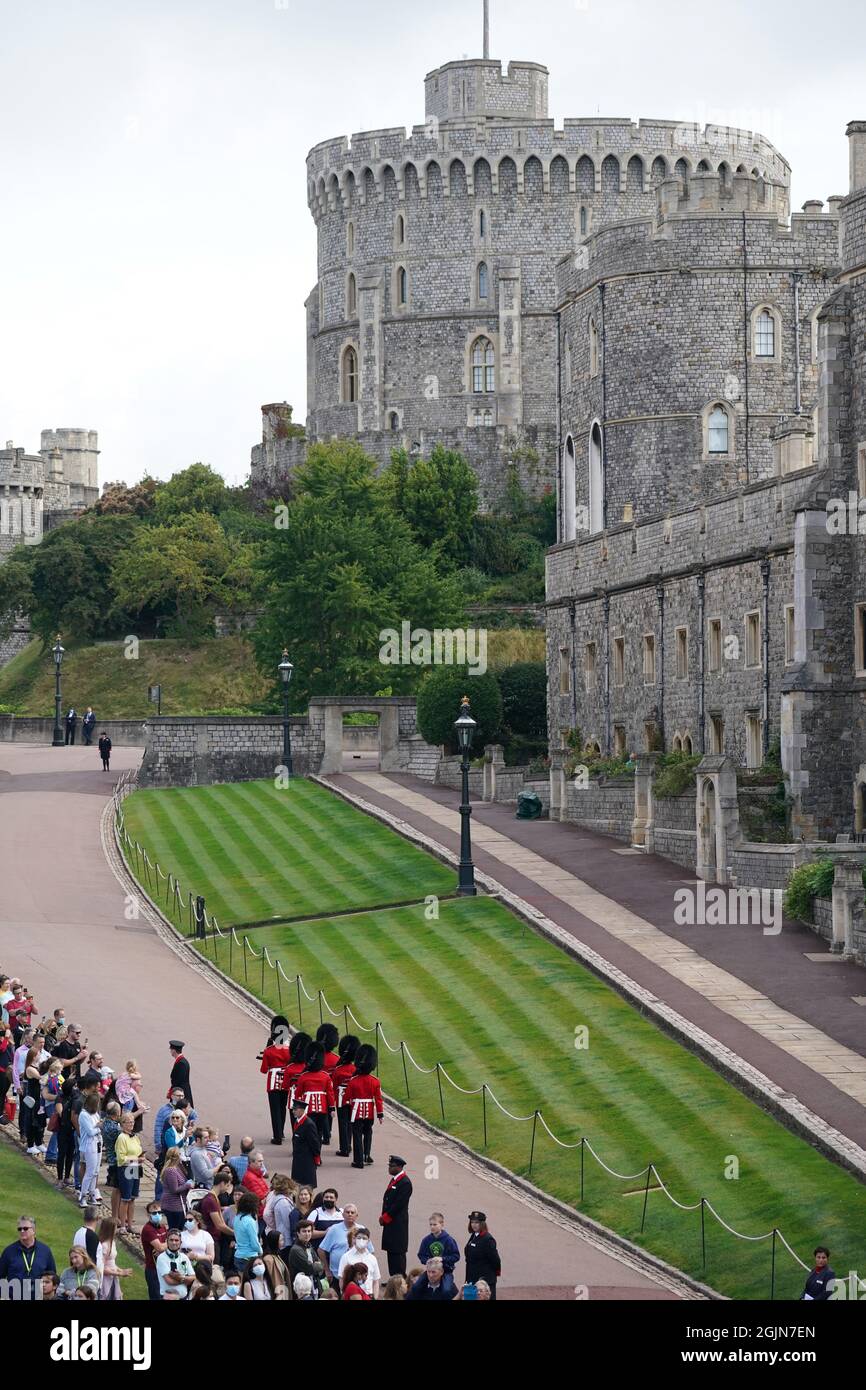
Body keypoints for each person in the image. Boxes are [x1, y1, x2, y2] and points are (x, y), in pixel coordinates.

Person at [343, 1044, 383, 1169]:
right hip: (369, 1112)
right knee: (368, 1133)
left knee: (357, 1135)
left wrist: (344, 1106)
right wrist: (380, 1114)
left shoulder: (353, 1081)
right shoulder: (375, 1081)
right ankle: (366, 1155)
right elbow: (378, 1099)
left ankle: (358, 1160)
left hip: (356, 1112)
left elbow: (347, 1097)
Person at [293, 1041, 336, 1145]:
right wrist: (332, 1109)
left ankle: (311, 1156)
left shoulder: (303, 1077)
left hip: (308, 1109)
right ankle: (317, 1156)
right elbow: (330, 1094)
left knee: (308, 1132)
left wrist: (296, 1109)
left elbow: (298, 1094)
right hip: (322, 1109)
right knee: (319, 1133)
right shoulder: (325, 1076)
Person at [0, 1216, 56, 1293]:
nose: (22, 1231)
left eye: (25, 1228)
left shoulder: (45, 1251)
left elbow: (53, 1277)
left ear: (33, 1230)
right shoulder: (9, 1251)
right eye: (19, 1229)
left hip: (38, 1296)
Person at [319, 1203, 368, 1288]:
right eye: (347, 1212)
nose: (350, 1214)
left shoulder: (362, 1230)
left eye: (352, 1213)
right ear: (343, 1214)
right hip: (337, 1276)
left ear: (357, 1215)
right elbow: (321, 1250)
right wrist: (327, 1270)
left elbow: (370, 1251)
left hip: (358, 1278)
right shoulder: (334, 1229)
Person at [380, 1155, 412, 1277]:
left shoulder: (405, 1183)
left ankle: (400, 1279)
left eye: (392, 1166)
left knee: (397, 1253)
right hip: (391, 1222)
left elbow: (399, 1204)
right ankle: (393, 1277)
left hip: (397, 1223)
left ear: (399, 1167)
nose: (389, 1168)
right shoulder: (395, 1179)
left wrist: (385, 1217)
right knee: (391, 1251)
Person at [260, 1017, 291, 1145]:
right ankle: (281, 1132)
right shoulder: (290, 1050)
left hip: (273, 1081)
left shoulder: (269, 1050)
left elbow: (264, 1070)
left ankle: (277, 1135)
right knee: (282, 1107)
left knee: (275, 1109)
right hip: (286, 1080)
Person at [198, 1169, 235, 1269]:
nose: (227, 1189)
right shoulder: (211, 1200)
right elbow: (219, 1225)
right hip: (212, 1238)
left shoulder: (214, 1198)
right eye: (227, 1185)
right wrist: (235, 1233)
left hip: (215, 1237)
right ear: (222, 1183)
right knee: (215, 1267)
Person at [115, 1111, 143, 1235]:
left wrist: (140, 1158)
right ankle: (122, 1226)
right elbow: (121, 1158)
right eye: (128, 1122)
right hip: (126, 1169)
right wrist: (136, 1159)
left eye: (132, 1121)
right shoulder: (121, 1138)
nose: (131, 1124)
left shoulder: (135, 1136)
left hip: (135, 1168)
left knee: (132, 1198)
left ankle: (130, 1225)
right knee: (125, 1198)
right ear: (123, 1124)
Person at [332, 1035, 359, 1156]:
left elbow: (334, 1086)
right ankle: (348, 1145)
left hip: (341, 1098)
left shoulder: (338, 1070)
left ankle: (344, 1148)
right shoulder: (355, 1069)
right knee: (350, 1122)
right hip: (353, 1098)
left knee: (343, 1123)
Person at [337, 1227, 381, 1299]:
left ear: (368, 1241)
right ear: (354, 1239)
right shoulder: (346, 1257)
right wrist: (344, 1294)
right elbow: (341, 1279)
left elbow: (376, 1281)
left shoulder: (372, 1258)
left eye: (364, 1238)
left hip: (369, 1295)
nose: (361, 1240)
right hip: (353, 1295)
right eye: (359, 1238)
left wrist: (375, 1297)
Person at [465, 1211, 501, 1299]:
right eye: (472, 1222)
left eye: (476, 1222)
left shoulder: (487, 1239)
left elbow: (495, 1260)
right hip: (471, 1278)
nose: (474, 1225)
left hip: (484, 1280)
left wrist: (492, 1275)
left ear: (482, 1224)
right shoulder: (474, 1235)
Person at [156, 1227, 196, 1300]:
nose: (174, 1242)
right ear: (167, 1241)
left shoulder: (184, 1257)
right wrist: (185, 1280)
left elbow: (193, 1277)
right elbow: (169, 1281)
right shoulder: (161, 1258)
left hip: (183, 1297)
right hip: (168, 1298)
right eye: (171, 1240)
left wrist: (180, 1277)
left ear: (180, 1242)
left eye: (176, 1240)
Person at [77, 1093, 103, 1207]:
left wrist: (98, 1126)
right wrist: (99, 1127)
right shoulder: (83, 1115)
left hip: (97, 1143)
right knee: (90, 1172)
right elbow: (90, 1132)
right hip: (88, 1145)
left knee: (96, 1171)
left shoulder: (95, 1114)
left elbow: (98, 1126)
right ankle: (83, 1196)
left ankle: (92, 1195)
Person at [288, 1219, 324, 1298]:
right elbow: (310, 1268)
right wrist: (317, 1266)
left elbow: (321, 1267)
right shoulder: (296, 1250)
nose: (307, 1234)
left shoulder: (309, 1246)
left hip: (314, 1285)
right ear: (298, 1233)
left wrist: (318, 1266)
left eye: (309, 1231)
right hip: (302, 1290)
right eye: (304, 1231)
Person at [290, 1098, 321, 1187]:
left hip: (306, 1161)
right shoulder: (298, 1121)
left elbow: (315, 1143)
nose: (293, 1111)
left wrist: (316, 1158)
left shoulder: (308, 1124)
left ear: (302, 1110)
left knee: (306, 1187)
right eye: (293, 1109)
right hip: (298, 1159)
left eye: (295, 1109)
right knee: (296, 1185)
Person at [161, 1147, 193, 1231]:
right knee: (175, 1229)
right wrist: (187, 1185)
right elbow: (174, 1189)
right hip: (173, 1205)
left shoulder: (178, 1168)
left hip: (179, 1204)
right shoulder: (171, 1171)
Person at [140, 1202, 167, 1301]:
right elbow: (160, 1247)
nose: (158, 1215)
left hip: (164, 1267)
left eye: (159, 1212)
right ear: (148, 1215)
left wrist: (166, 1245)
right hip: (153, 1269)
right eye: (154, 1213)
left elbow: (170, 1244)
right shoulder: (148, 1229)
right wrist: (168, 1244)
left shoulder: (163, 1227)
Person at [101, 1101, 123, 1219]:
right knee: (119, 1189)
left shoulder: (107, 1122)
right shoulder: (114, 1128)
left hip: (115, 1159)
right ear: (118, 1113)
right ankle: (116, 1215)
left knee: (122, 1189)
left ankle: (121, 1214)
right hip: (117, 1160)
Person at [234, 1190, 262, 1276]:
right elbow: (254, 1242)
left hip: (238, 1255)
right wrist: (260, 1250)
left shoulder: (237, 1217)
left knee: (242, 1284)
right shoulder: (250, 1221)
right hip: (250, 1257)